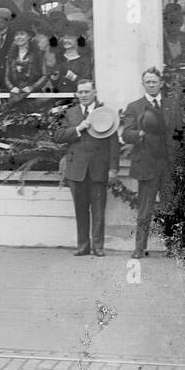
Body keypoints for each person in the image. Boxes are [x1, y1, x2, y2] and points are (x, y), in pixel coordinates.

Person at [119, 68, 183, 258]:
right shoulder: (134, 107)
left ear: (161, 83)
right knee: (145, 209)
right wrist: (140, 133)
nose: (152, 85)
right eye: (148, 82)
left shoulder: (173, 106)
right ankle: (139, 248)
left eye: (155, 82)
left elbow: (180, 134)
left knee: (170, 207)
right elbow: (126, 134)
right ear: (143, 84)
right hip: (147, 165)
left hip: (168, 165)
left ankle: (172, 247)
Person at [56, 79, 118, 257]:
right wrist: (78, 128)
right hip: (77, 170)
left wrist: (113, 169)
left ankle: (98, 247)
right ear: (76, 94)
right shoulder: (69, 113)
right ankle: (83, 246)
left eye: (87, 92)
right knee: (80, 210)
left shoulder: (105, 113)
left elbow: (114, 144)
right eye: (80, 92)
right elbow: (58, 135)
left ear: (94, 92)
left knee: (98, 210)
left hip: (99, 169)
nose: (83, 95)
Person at [2, 21, 48, 94]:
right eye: (16, 35)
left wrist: (32, 87)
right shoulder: (11, 55)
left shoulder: (38, 54)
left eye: (22, 34)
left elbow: (45, 75)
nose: (18, 37)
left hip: (34, 95)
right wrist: (11, 88)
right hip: (15, 94)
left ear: (29, 36)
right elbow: (6, 76)